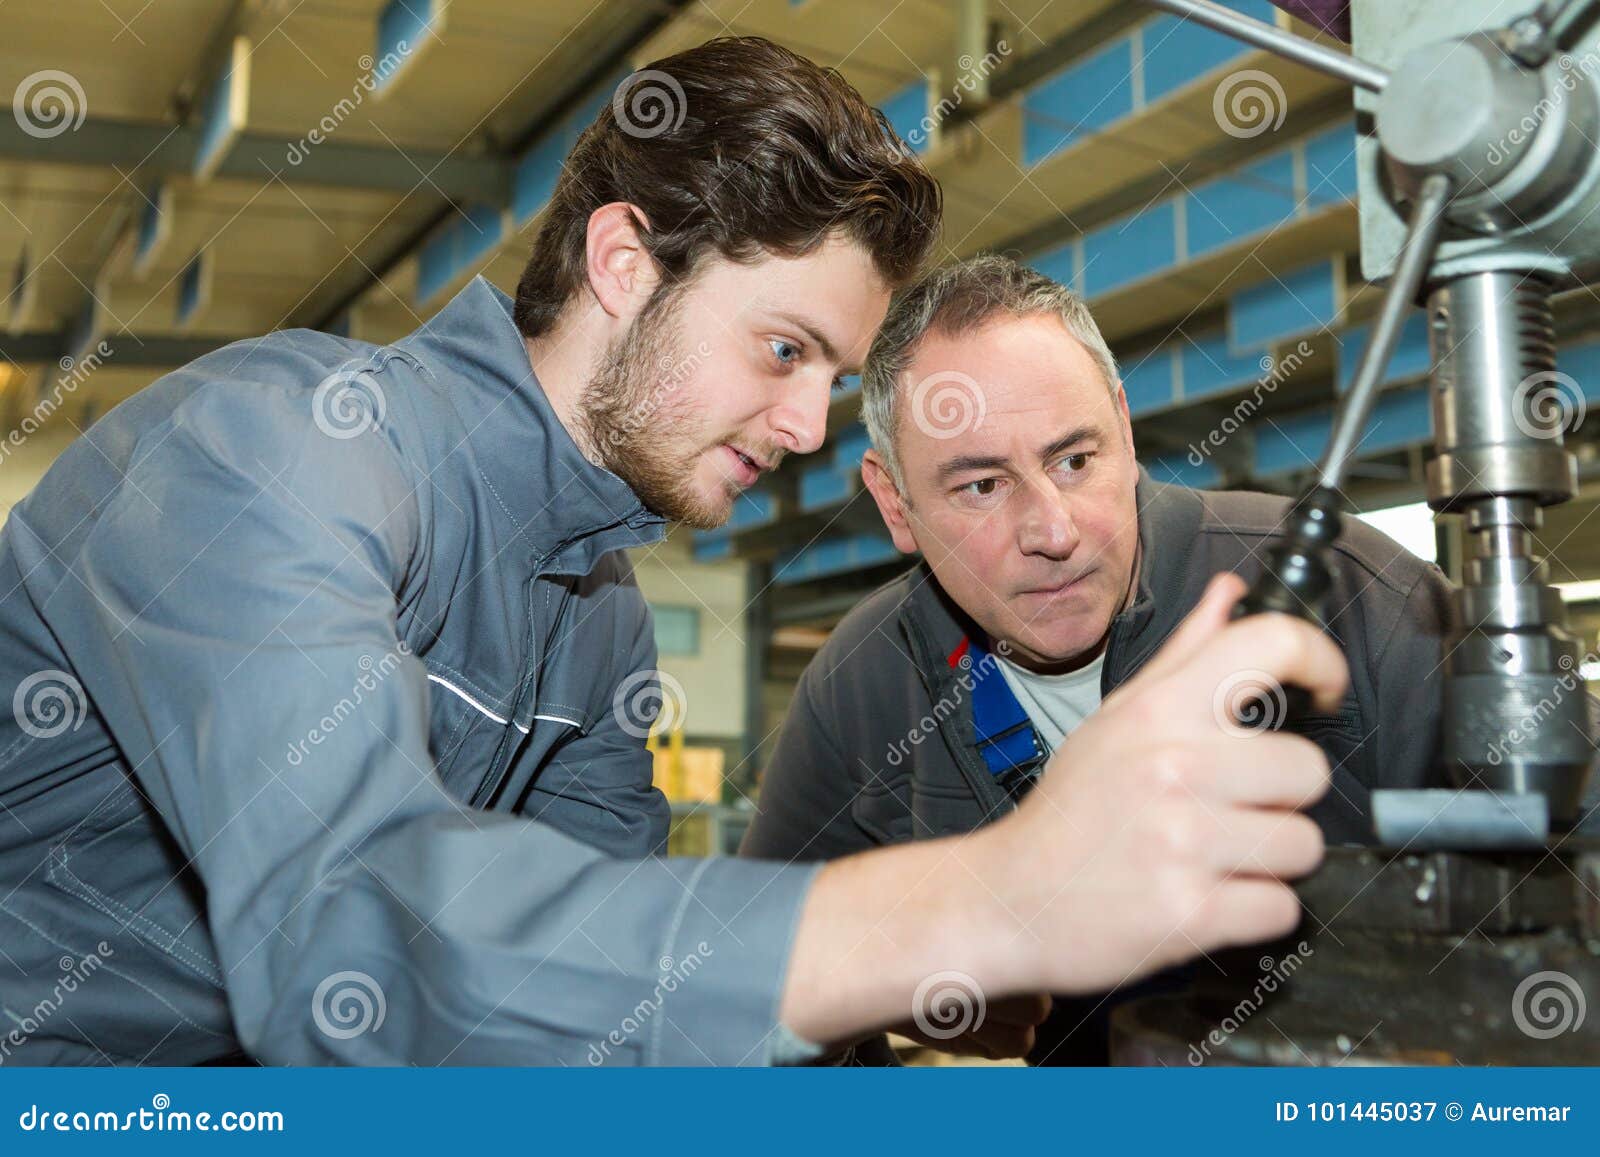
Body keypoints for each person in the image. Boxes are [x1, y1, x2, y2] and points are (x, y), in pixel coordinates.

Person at [0, 38, 1344, 1067]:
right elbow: (356, 946)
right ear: (625, 263)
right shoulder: (274, 448)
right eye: (784, 349)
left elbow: (605, 992)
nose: (812, 424)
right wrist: (990, 898)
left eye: (832, 372)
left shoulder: (597, 621)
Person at [740, 255, 1455, 1063]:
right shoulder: (859, 689)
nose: (1054, 531)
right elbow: (748, 994)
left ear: (1122, 424)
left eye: (1075, 460)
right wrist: (880, 980)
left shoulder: (1349, 594)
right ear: (895, 503)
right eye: (981, 486)